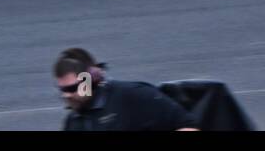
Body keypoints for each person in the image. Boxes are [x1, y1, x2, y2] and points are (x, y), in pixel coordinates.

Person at [54, 48, 198, 131]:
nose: (66, 95)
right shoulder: (73, 123)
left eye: (72, 88)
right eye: (62, 89)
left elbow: (188, 126)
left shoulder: (133, 96)